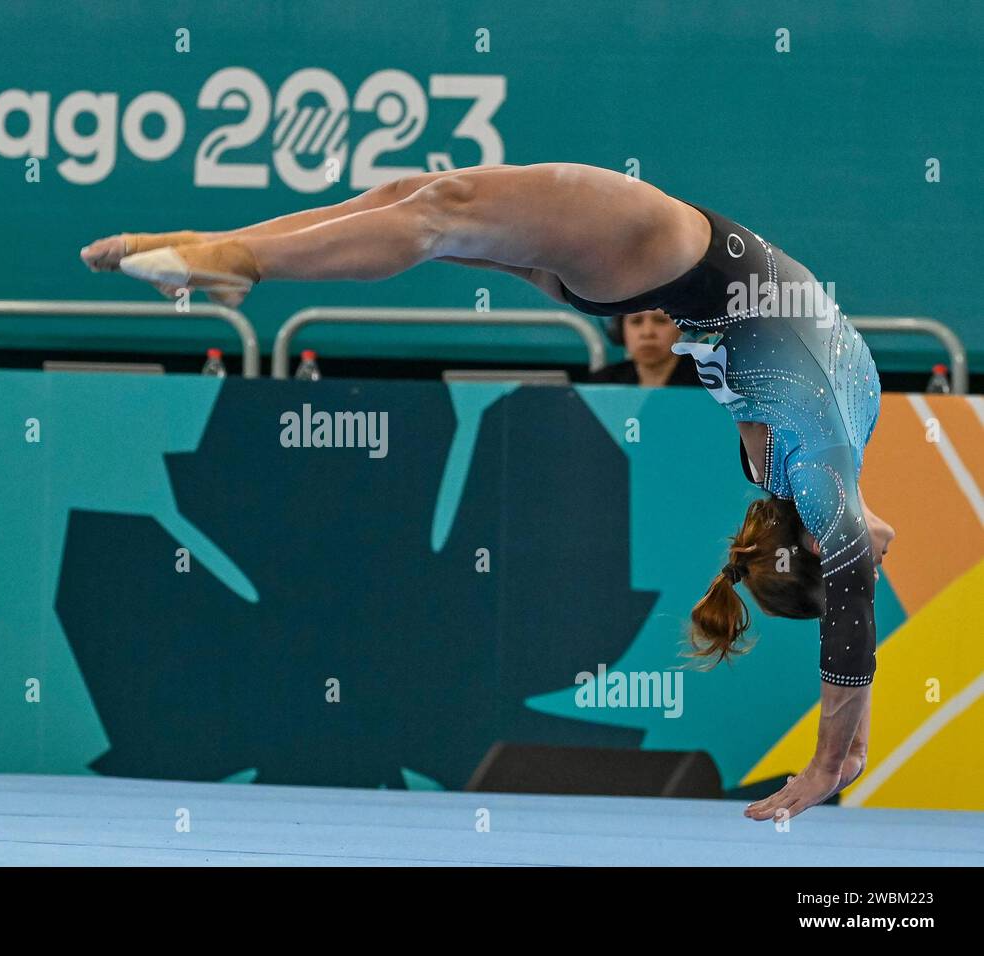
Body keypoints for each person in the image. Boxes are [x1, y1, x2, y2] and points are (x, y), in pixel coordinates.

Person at [80, 162, 897, 821]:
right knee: (417, 201)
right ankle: (218, 253)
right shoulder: (805, 470)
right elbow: (856, 550)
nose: (861, 545)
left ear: (814, 538)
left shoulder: (818, 458)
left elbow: (854, 578)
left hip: (659, 249)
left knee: (439, 212)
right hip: (640, 273)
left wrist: (838, 757)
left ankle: (232, 260)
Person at [589, 309, 702, 386]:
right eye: (636, 321)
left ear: (681, 329)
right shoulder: (602, 383)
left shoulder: (708, 381)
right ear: (619, 330)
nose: (647, 332)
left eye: (660, 321)